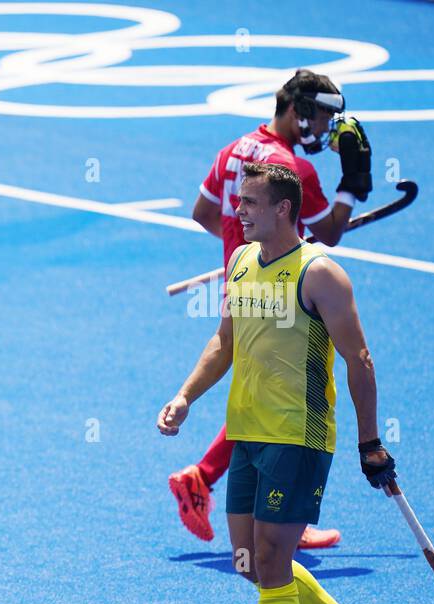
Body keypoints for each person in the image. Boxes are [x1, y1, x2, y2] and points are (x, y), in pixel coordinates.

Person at [158, 163, 390, 604]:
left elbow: (358, 359)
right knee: (252, 564)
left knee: (271, 559)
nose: (239, 211)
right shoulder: (240, 262)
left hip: (299, 434)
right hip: (247, 433)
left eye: (252, 203)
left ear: (284, 209)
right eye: (239, 202)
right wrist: (186, 396)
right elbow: (225, 341)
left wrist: (370, 441)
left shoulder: (321, 275)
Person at [169, 69, 372, 550]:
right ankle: (279, 512)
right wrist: (352, 182)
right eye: (322, 117)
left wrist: (244, 249)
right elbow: (332, 232)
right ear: (299, 110)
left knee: (259, 390)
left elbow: (203, 213)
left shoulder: (233, 149)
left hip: (244, 279)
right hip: (281, 291)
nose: (325, 128)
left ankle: (217, 482)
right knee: (283, 392)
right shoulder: (292, 172)